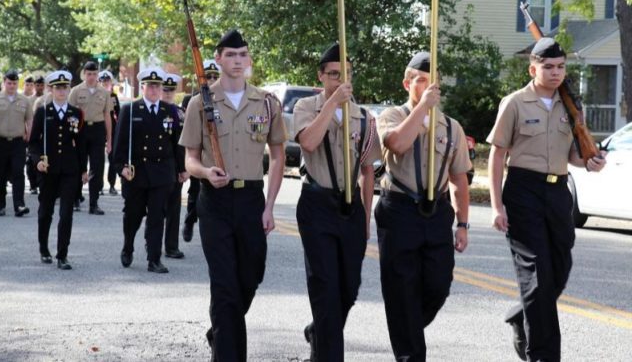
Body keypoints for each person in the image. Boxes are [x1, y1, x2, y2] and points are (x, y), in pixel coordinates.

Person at [487, 38, 607, 361]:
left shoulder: (571, 106)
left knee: (560, 266)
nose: (556, 73)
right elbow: (497, 156)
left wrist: (591, 161)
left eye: (561, 67)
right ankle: (543, 354)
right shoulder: (514, 103)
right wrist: (497, 206)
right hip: (523, 191)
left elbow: (573, 156)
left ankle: (521, 313)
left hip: (558, 192)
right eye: (548, 67)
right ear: (533, 68)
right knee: (538, 276)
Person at [179, 30, 286, 361]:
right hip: (215, 201)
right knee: (224, 287)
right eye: (231, 55)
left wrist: (270, 207)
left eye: (243, 55)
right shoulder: (201, 103)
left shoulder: (267, 103)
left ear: (249, 60)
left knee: (250, 276)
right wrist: (205, 172)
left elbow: (279, 154)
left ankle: (219, 331)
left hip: (252, 199)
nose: (238, 61)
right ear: (218, 59)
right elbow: (190, 158)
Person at [375, 51, 471, 361]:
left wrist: (463, 224)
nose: (427, 86)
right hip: (399, 210)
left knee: (439, 284)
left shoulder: (451, 127)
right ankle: (409, 352)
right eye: (420, 80)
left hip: (436, 212)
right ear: (407, 83)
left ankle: (407, 327)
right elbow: (398, 144)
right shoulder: (392, 116)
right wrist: (423, 110)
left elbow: (459, 177)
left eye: (432, 82)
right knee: (401, 287)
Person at [293, 43, 381, 361]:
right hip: (317, 203)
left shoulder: (364, 118)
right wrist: (332, 104)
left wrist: (366, 216)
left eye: (345, 74)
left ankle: (320, 331)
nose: (340, 79)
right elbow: (309, 141)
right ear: (321, 76)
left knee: (349, 287)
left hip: (351, 209)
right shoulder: (307, 106)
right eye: (333, 74)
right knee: (325, 285)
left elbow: (369, 170)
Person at [115, 67, 181, 274]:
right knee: (133, 215)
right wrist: (121, 167)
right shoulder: (131, 110)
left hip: (162, 172)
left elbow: (177, 143)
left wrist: (182, 169)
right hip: (137, 172)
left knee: (157, 216)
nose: (154, 89)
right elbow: (120, 144)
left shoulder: (169, 111)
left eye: (157, 86)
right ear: (142, 87)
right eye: (150, 85)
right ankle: (128, 245)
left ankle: (154, 258)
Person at [29, 71, 88, 270]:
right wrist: (37, 161)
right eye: (57, 87)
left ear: (69, 89)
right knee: (45, 211)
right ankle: (43, 248)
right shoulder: (43, 112)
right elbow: (34, 143)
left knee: (66, 214)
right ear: (51, 89)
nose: (61, 91)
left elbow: (81, 144)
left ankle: (62, 254)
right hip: (48, 169)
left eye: (64, 87)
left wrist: (83, 170)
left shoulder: (76, 113)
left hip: (69, 169)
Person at [181, 59, 221, 243]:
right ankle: (189, 222)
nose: (211, 79)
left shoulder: (223, 99)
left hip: (217, 155)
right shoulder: (192, 100)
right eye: (208, 76)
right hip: (200, 156)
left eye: (215, 76)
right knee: (195, 191)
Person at [0, 70, 33, 217]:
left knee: (18, 173)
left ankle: (19, 204)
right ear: (3, 82)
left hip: (18, 142)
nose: (12, 86)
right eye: (9, 83)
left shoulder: (24, 100)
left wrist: (29, 136)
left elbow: (29, 120)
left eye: (14, 83)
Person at [68, 61, 112, 214]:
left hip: (98, 130)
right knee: (78, 165)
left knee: (97, 167)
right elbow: (70, 115)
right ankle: (75, 198)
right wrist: (71, 136)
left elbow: (107, 116)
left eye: (94, 74)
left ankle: (93, 203)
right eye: (89, 74)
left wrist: (109, 140)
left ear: (97, 74)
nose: (92, 77)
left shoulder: (104, 92)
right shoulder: (75, 91)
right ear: (84, 74)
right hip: (81, 128)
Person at [160, 72, 188, 259]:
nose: (168, 93)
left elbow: (183, 143)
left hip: (174, 166)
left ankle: (171, 246)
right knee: (155, 209)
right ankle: (152, 243)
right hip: (156, 166)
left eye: (171, 90)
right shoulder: (154, 110)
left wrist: (184, 169)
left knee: (174, 208)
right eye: (165, 90)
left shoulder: (180, 113)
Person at [99, 70, 121, 196]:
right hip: (99, 127)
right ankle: (99, 185)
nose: (105, 83)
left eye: (107, 81)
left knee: (112, 158)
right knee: (99, 159)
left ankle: (112, 184)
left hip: (112, 129)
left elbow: (118, 112)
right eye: (103, 81)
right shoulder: (97, 95)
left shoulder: (113, 96)